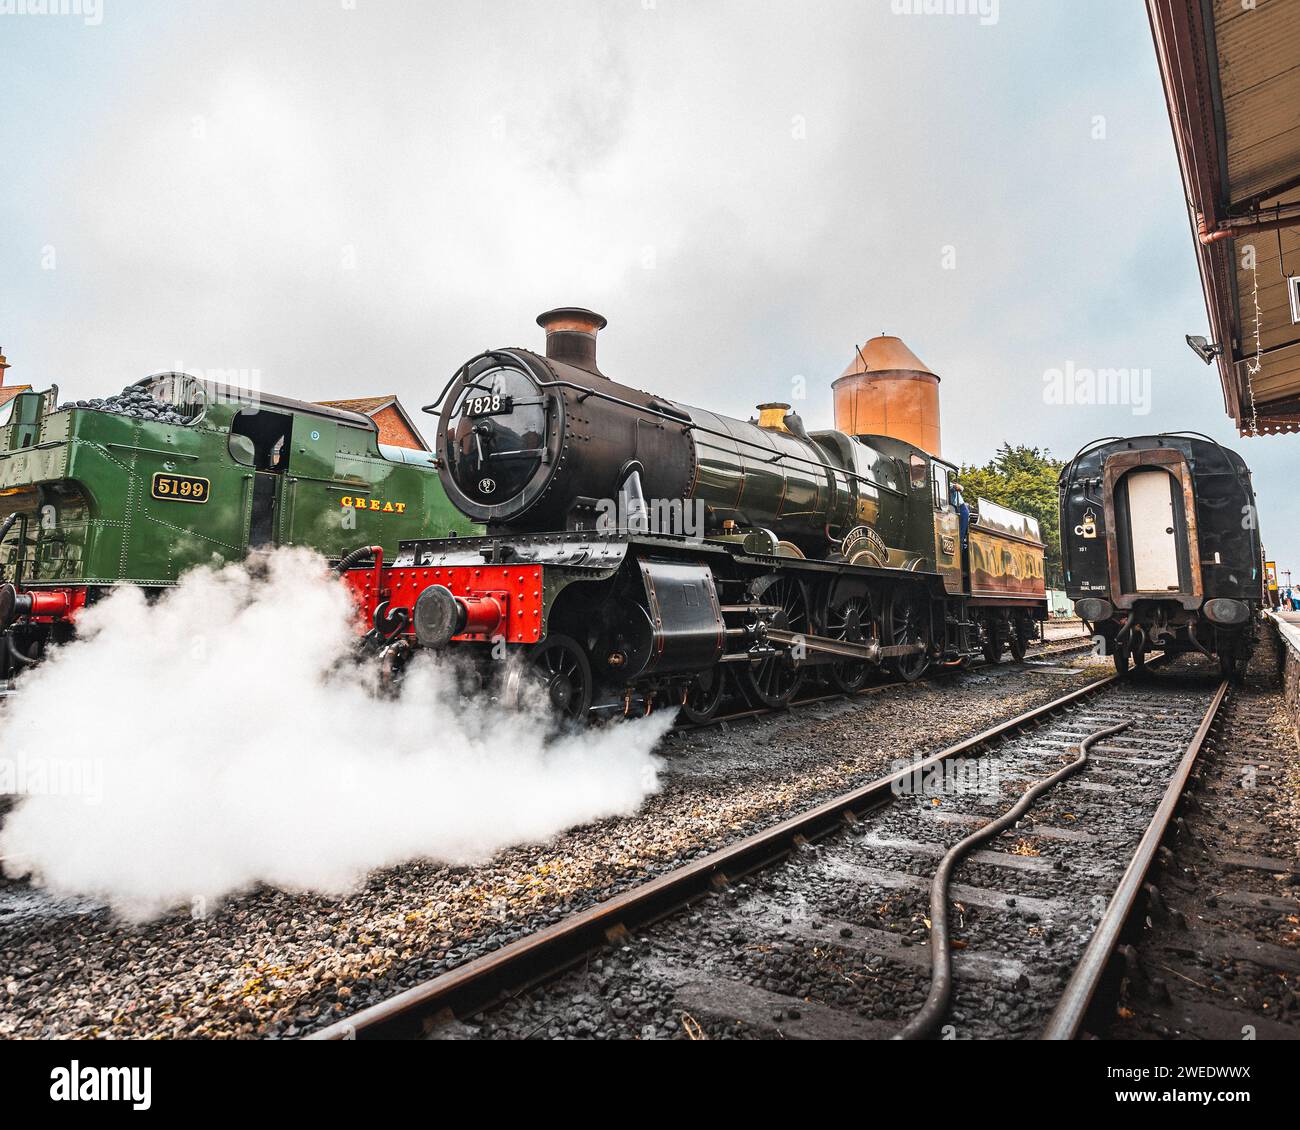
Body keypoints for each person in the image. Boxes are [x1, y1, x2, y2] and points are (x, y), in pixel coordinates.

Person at [950, 479, 971, 549]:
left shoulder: (948, 484)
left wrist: (955, 486)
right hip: (952, 509)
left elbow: (959, 487)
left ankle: (960, 551)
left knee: (960, 535)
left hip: (961, 509)